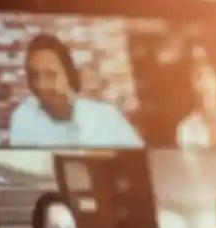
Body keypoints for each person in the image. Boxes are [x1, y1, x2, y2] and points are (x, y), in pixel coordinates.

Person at [8, 33, 143, 148]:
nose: (41, 85)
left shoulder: (107, 117)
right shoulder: (23, 118)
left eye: (50, 75)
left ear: (69, 75)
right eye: (34, 76)